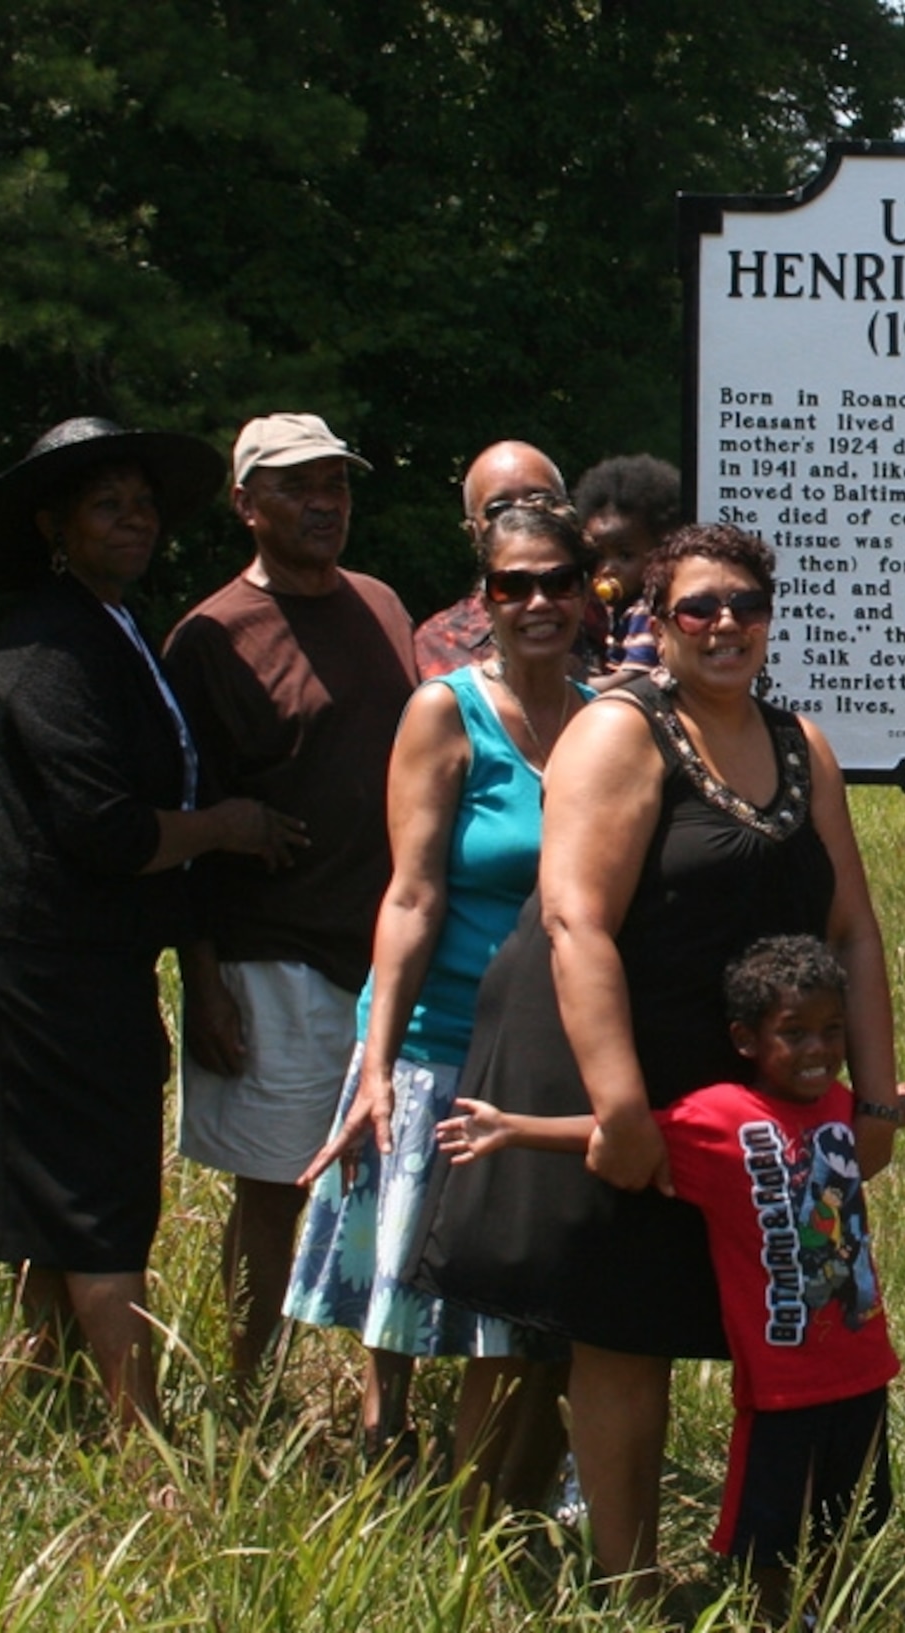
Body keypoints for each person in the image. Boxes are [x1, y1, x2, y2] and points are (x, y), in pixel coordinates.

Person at [413, 523, 904, 1592]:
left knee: (740, 1313)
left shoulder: (802, 744)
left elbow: (853, 931)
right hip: (596, 1053)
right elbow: (574, 921)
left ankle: (764, 1567)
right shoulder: (619, 730)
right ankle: (625, 1584)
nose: (725, 624)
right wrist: (621, 1111)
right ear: (656, 621)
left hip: (729, 1078)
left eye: (746, 604)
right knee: (618, 1327)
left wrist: (870, 1100)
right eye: (698, 606)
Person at [0, 417, 301, 1426]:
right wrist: (226, 826)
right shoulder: (47, 647)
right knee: (88, 1191)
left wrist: (197, 965)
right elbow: (107, 831)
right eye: (108, 506)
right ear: (55, 526)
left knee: (67, 1180)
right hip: (41, 953)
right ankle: (141, 1443)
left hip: (97, 950)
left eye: (143, 504)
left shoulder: (118, 626)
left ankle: (43, 1405)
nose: (134, 521)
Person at [438, 936, 905, 1619]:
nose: (817, 1049)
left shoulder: (842, 1105)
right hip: (781, 1384)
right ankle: (769, 1618)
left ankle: (832, 1614)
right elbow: (623, 1133)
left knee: (847, 1520)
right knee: (769, 1539)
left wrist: (894, 1105)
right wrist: (513, 1128)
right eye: (794, 1033)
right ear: (745, 1040)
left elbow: (874, 1119)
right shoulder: (720, 1117)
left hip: (864, 1368)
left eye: (832, 1030)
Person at [279, 502, 592, 1497]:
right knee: (401, 1267)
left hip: (541, 1050)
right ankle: (387, 1449)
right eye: (513, 585)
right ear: (483, 598)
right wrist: (376, 1066)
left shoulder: (604, 720)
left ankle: (497, 1483)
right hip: (436, 1036)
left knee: (508, 1290)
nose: (537, 603)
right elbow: (412, 895)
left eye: (557, 582)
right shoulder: (443, 712)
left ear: (586, 592)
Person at [164, 410, 416, 1389]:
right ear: (245, 504)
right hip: (271, 957)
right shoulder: (211, 637)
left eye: (335, 484)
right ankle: (246, 1392)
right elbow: (185, 821)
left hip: (390, 955)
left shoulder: (382, 606)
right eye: (297, 486)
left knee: (394, 1187)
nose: (324, 503)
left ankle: (385, 1407)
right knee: (275, 1190)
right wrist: (203, 980)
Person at [412, 442, 568, 680]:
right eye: (499, 509)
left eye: (541, 502)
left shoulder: (613, 622)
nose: (522, 517)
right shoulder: (441, 642)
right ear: (473, 534)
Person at [572, 454, 688, 680]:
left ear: (661, 550)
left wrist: (579, 690)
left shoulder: (646, 611)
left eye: (625, 556)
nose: (608, 568)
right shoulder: (616, 610)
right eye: (598, 556)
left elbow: (634, 677)